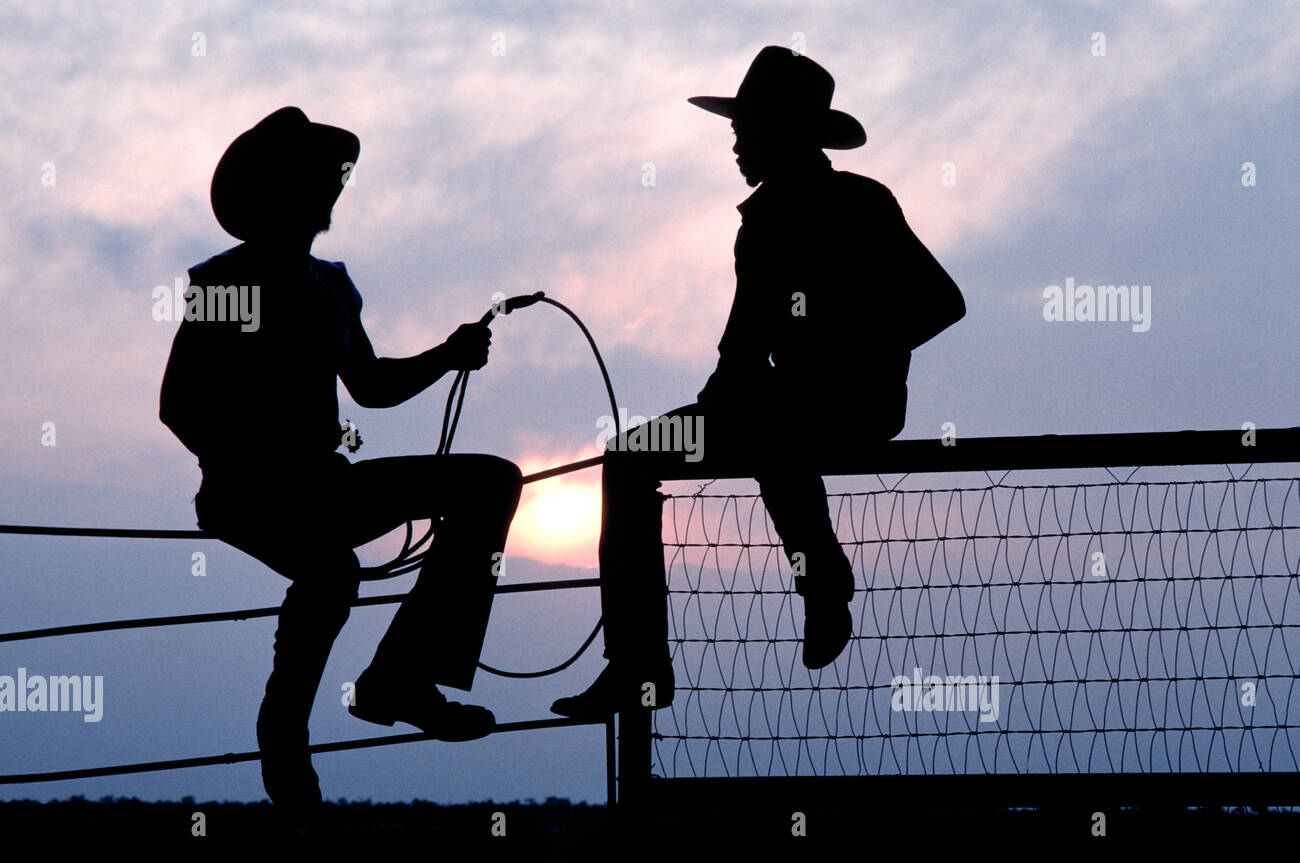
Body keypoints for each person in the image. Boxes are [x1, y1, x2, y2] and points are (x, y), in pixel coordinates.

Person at [552, 47, 966, 719]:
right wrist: (730, 395)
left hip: (847, 406)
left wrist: (846, 353)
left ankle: (808, 584)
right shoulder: (787, 216)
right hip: (793, 407)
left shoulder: (842, 207)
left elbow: (939, 303)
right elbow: (745, 348)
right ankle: (648, 662)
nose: (736, 144)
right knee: (646, 453)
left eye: (747, 129)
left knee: (737, 433)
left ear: (784, 131)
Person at [160, 106, 524, 812]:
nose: (334, 189)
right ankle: (286, 734)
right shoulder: (224, 282)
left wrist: (447, 355)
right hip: (247, 494)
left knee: (492, 482)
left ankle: (403, 675)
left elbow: (373, 385)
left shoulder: (332, 285)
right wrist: (257, 465)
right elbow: (181, 405)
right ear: (284, 189)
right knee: (332, 569)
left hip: (326, 487)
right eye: (320, 178)